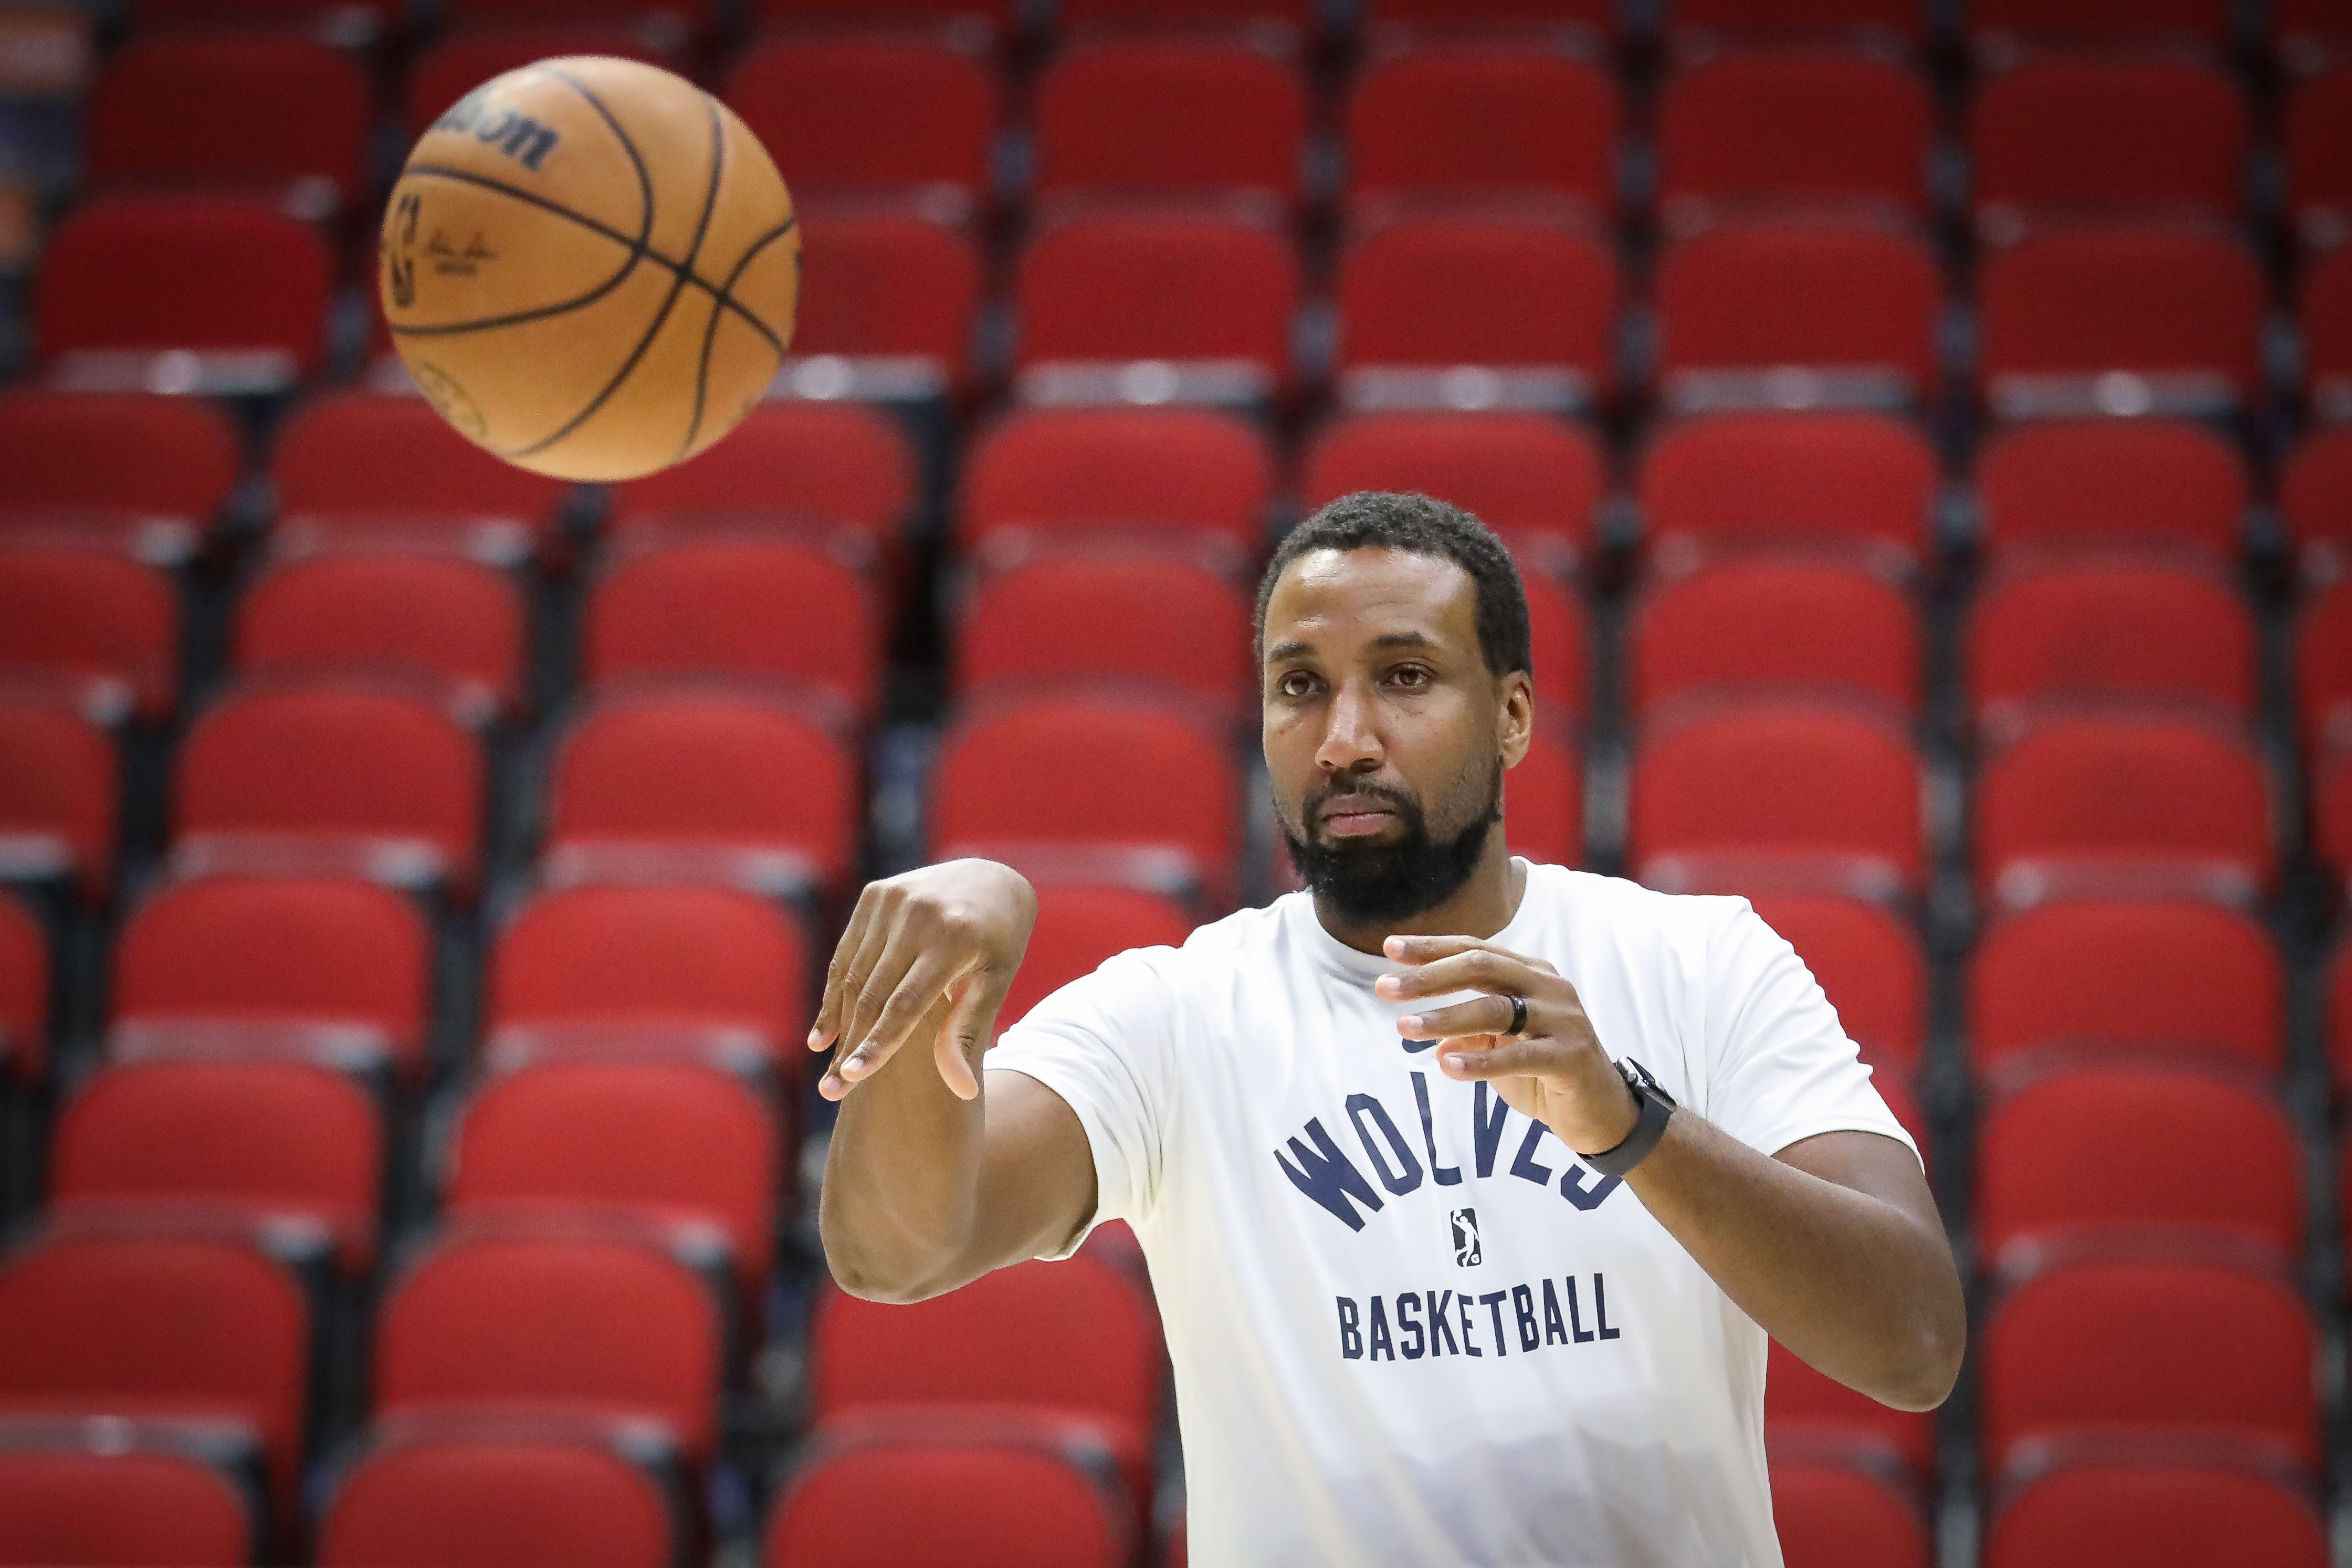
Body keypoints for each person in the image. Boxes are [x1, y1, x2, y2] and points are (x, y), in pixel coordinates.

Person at [810, 491, 1965, 1566]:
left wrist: (1626, 1125)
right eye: (1298, 685)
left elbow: (1911, 1343)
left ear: (1511, 715)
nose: (1344, 738)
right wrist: (934, 1000)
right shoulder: (1176, 1014)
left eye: (1403, 676)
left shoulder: (1699, 963)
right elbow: (894, 1254)